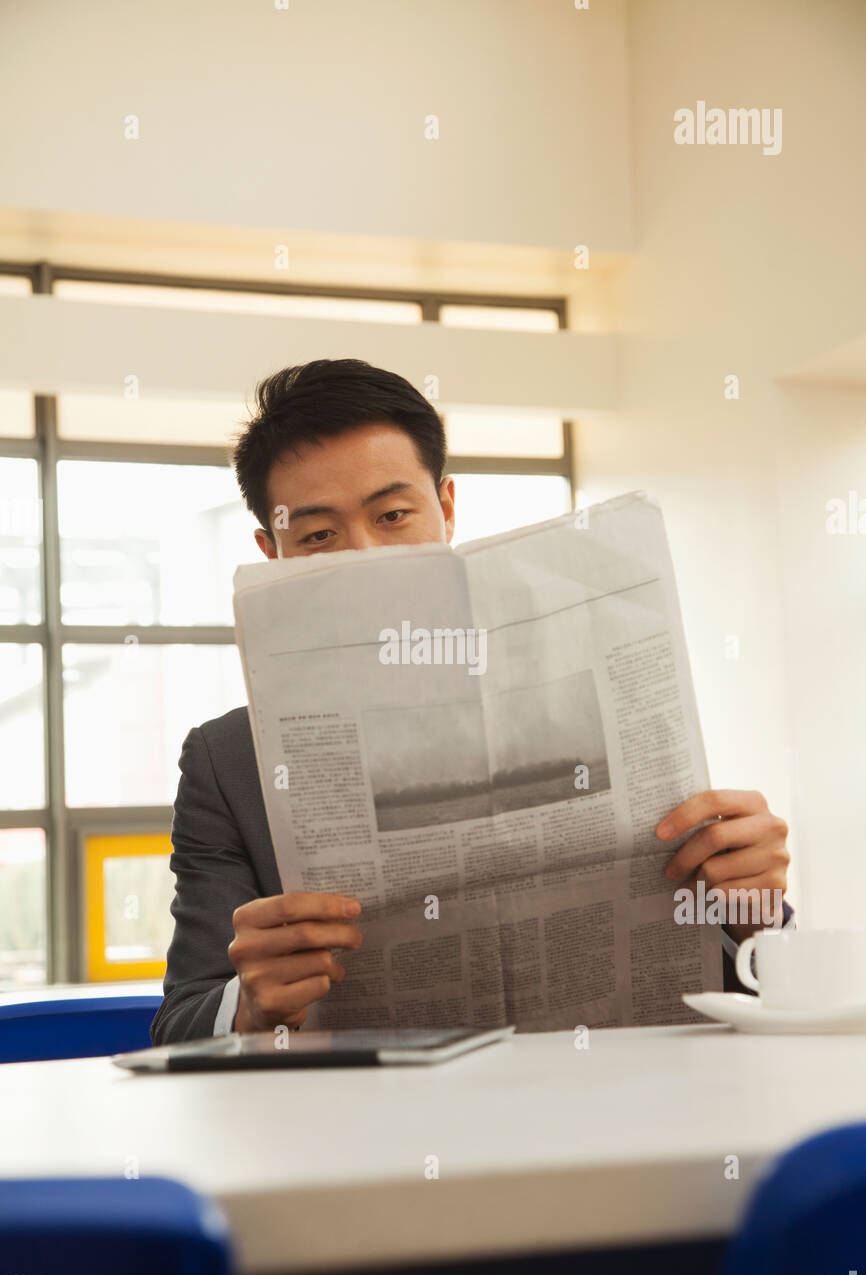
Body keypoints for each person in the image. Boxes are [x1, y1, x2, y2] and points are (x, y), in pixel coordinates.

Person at [150, 359, 791, 1044]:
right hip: (364, 1134)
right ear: (271, 552)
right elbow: (180, 1025)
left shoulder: (604, 680)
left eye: (393, 515)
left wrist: (758, 918)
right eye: (318, 535)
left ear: (447, 508)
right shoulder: (226, 761)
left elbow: (739, 987)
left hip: (615, 1107)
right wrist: (247, 1008)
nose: (368, 559)